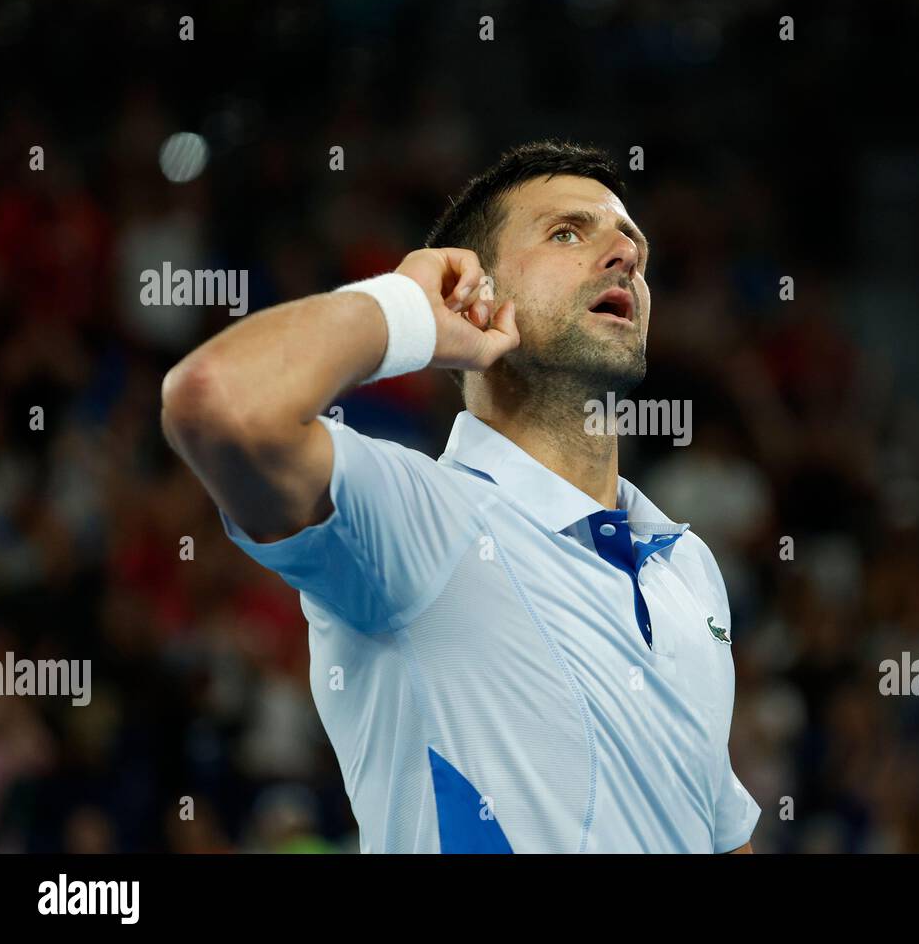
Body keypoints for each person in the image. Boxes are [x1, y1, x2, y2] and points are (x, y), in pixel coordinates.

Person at [160, 139, 760, 853]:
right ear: (475, 295)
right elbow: (218, 400)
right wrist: (407, 308)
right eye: (568, 232)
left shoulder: (687, 565)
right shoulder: (424, 519)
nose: (624, 254)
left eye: (633, 242)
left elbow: (714, 830)